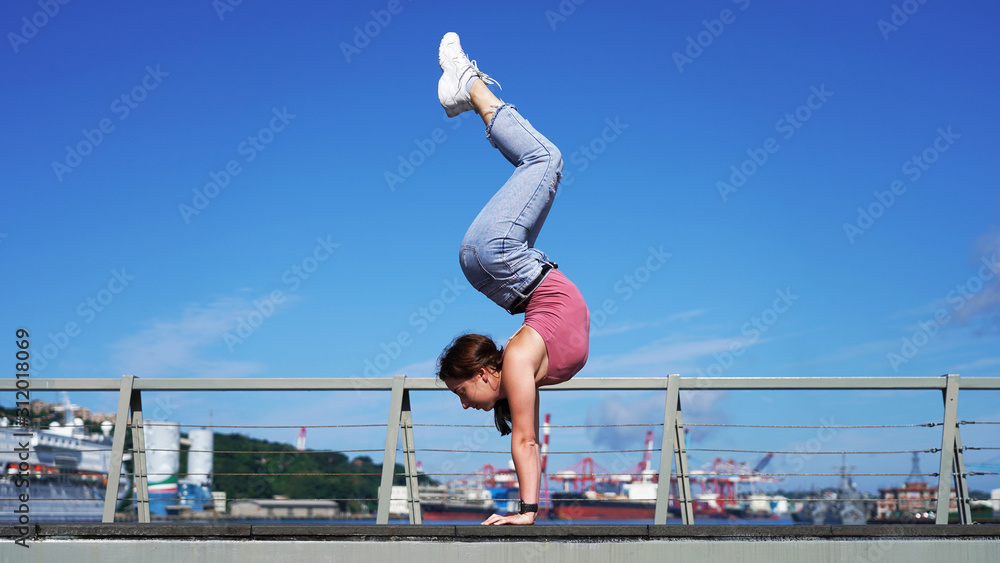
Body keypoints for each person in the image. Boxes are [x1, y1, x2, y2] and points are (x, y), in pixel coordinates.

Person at [434, 32, 590, 526]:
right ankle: (467, 89)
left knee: (545, 160)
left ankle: (469, 84)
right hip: (504, 265)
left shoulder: (519, 359)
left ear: (485, 374)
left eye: (461, 392)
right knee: (544, 161)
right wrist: (527, 512)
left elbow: (526, 440)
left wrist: (527, 512)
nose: (464, 406)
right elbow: (526, 437)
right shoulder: (521, 366)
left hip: (499, 257)